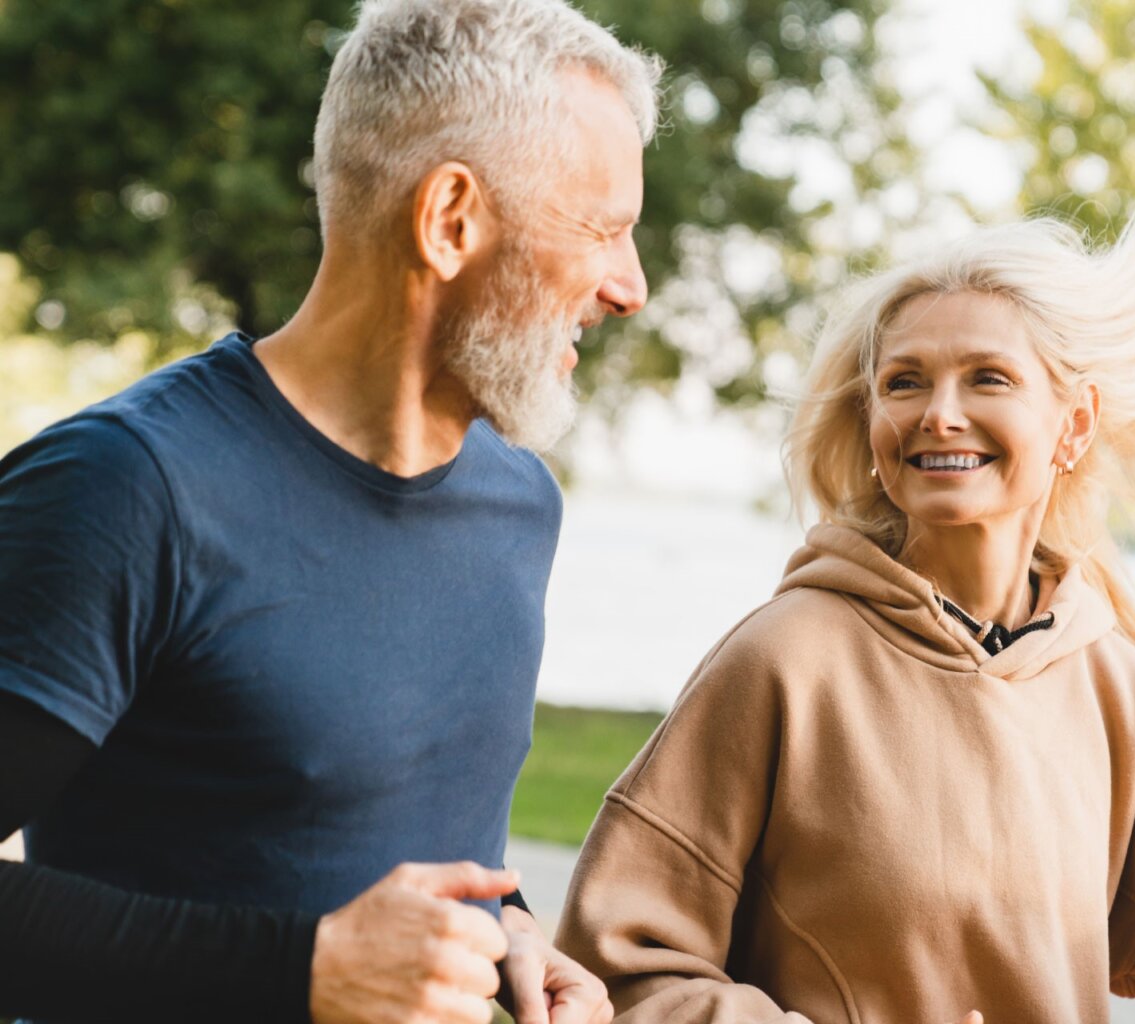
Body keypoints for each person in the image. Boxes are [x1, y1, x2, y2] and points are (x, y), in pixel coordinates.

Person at [555, 189, 1135, 1024]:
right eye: (905, 382)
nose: (941, 414)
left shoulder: (1115, 687)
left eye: (988, 378)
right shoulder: (783, 660)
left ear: (1073, 426)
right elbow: (615, 973)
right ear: (875, 425)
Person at [0, 1, 659, 1021]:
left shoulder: (518, 501)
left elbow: (408, 847)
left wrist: (511, 929)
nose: (631, 285)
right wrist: (302, 968)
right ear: (450, 221)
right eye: (604, 227)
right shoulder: (126, 487)